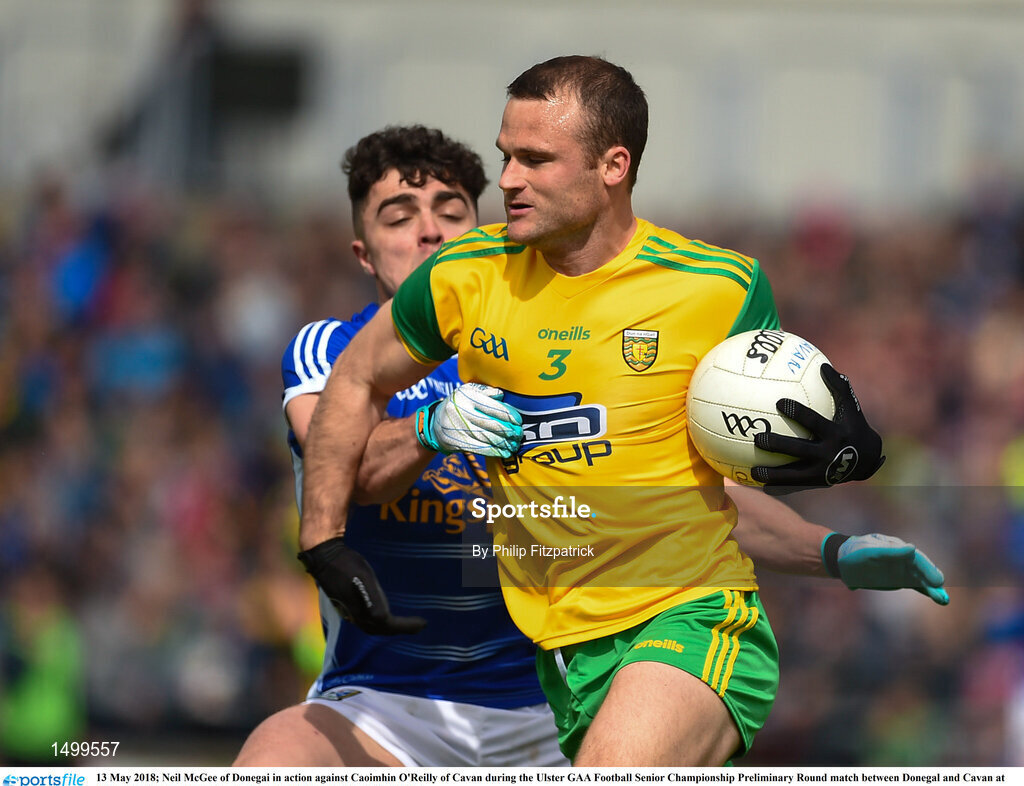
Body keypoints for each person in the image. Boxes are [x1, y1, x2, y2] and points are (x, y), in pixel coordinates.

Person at [257, 113, 945, 766]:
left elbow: (708, 505)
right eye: (399, 218)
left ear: (483, 232)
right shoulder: (332, 353)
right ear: (363, 250)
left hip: (550, 692)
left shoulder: (538, 343)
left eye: (451, 213)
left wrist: (833, 551)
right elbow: (336, 469)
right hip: (386, 705)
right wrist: (432, 428)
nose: (429, 233)